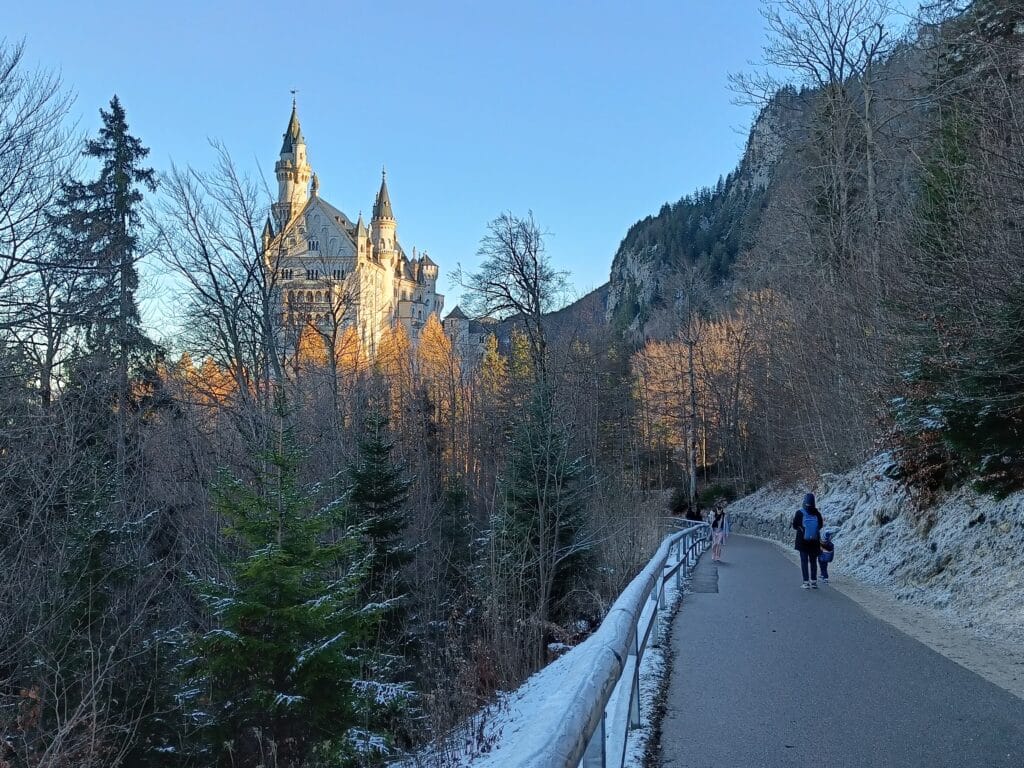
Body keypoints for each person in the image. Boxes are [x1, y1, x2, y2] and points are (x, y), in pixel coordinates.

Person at [792, 492, 824, 589]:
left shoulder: (799, 513)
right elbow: (820, 525)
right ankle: (814, 581)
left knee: (804, 561)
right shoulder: (817, 513)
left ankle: (806, 582)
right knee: (813, 561)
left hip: (803, 542)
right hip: (814, 541)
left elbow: (794, 526)